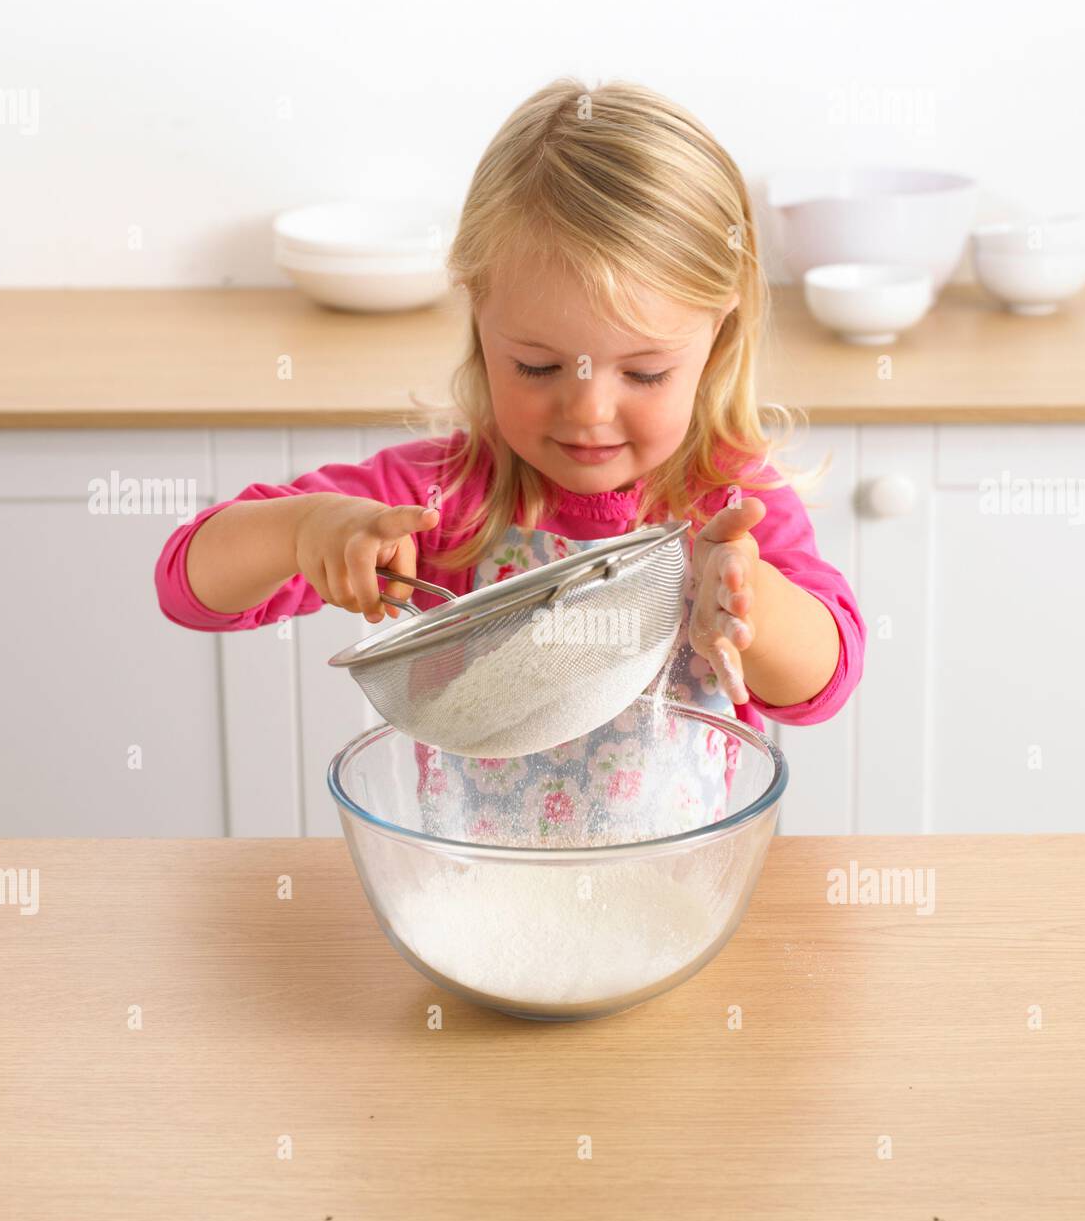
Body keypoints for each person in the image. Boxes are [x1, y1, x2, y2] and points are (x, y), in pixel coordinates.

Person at [155, 78, 866, 845]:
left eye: (645, 373)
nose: (589, 411)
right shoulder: (436, 497)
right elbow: (188, 588)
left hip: (667, 911)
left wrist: (749, 598)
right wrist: (302, 531)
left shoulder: (726, 506)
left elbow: (824, 684)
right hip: (477, 913)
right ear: (478, 318)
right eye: (537, 366)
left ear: (719, 335)